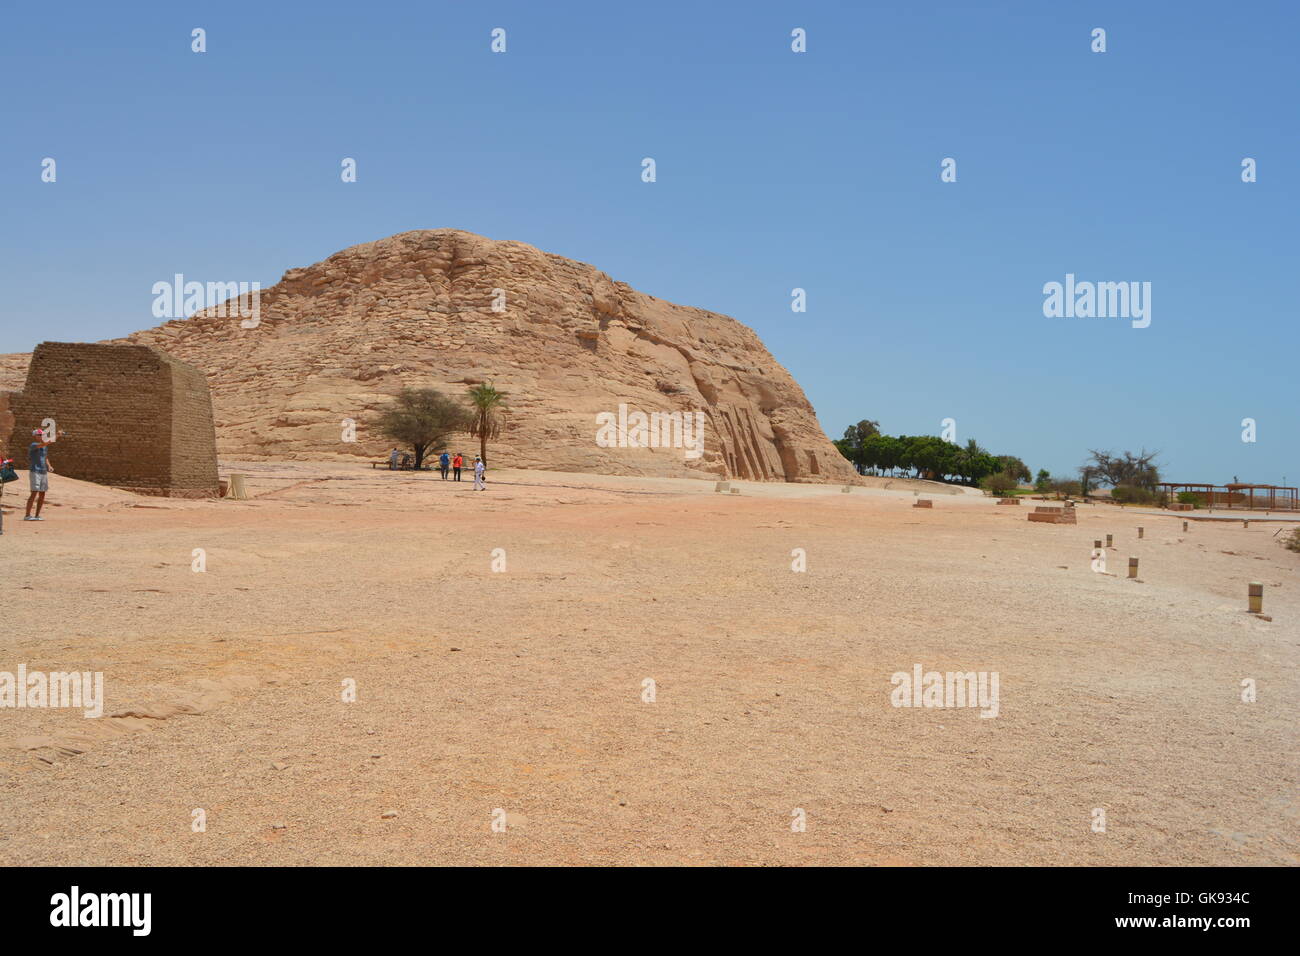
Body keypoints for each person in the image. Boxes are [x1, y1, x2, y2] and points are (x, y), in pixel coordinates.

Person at [26, 427, 64, 521]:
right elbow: (45, 443)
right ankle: (27, 515)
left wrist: (49, 466)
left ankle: (37, 515)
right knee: (34, 492)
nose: (41, 436)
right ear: (35, 436)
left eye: (42, 435)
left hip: (43, 471)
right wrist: (57, 436)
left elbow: (45, 457)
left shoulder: (44, 446)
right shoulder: (34, 445)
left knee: (42, 493)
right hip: (35, 471)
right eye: (39, 435)